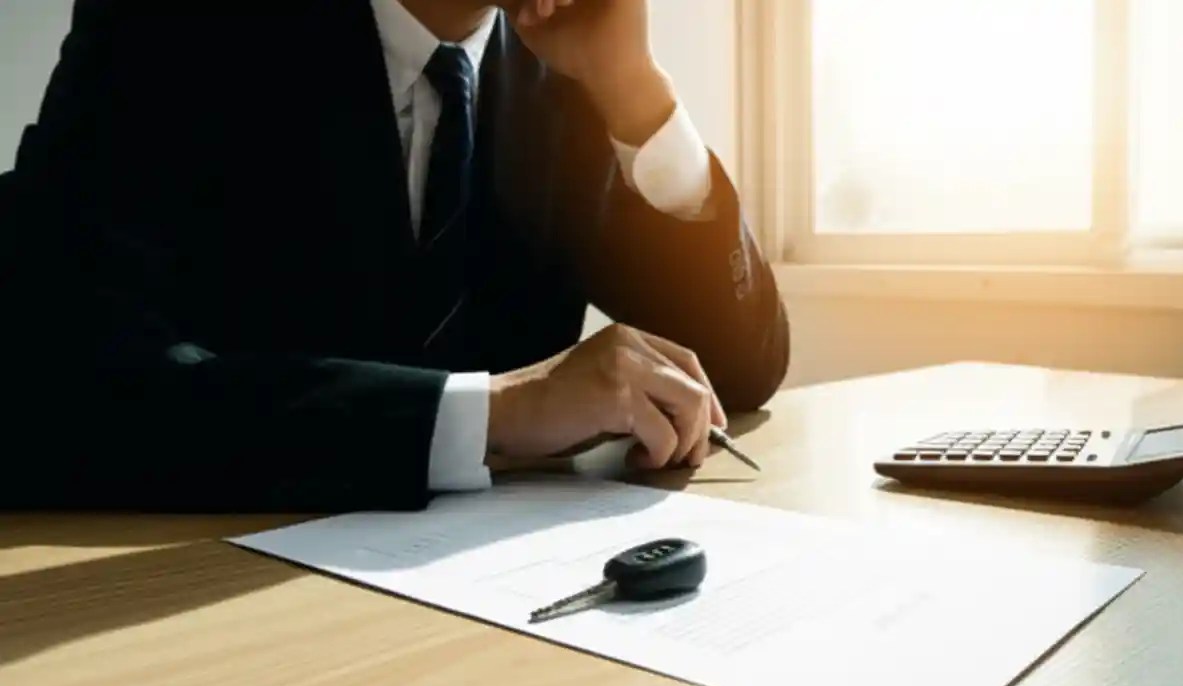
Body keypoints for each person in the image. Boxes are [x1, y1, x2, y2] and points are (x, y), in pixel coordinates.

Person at [0, 0, 789, 512]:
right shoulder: (170, 29)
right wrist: (499, 415)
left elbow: (739, 368)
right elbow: (65, 382)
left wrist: (636, 92)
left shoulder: (568, 70)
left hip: (484, 610)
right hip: (206, 593)